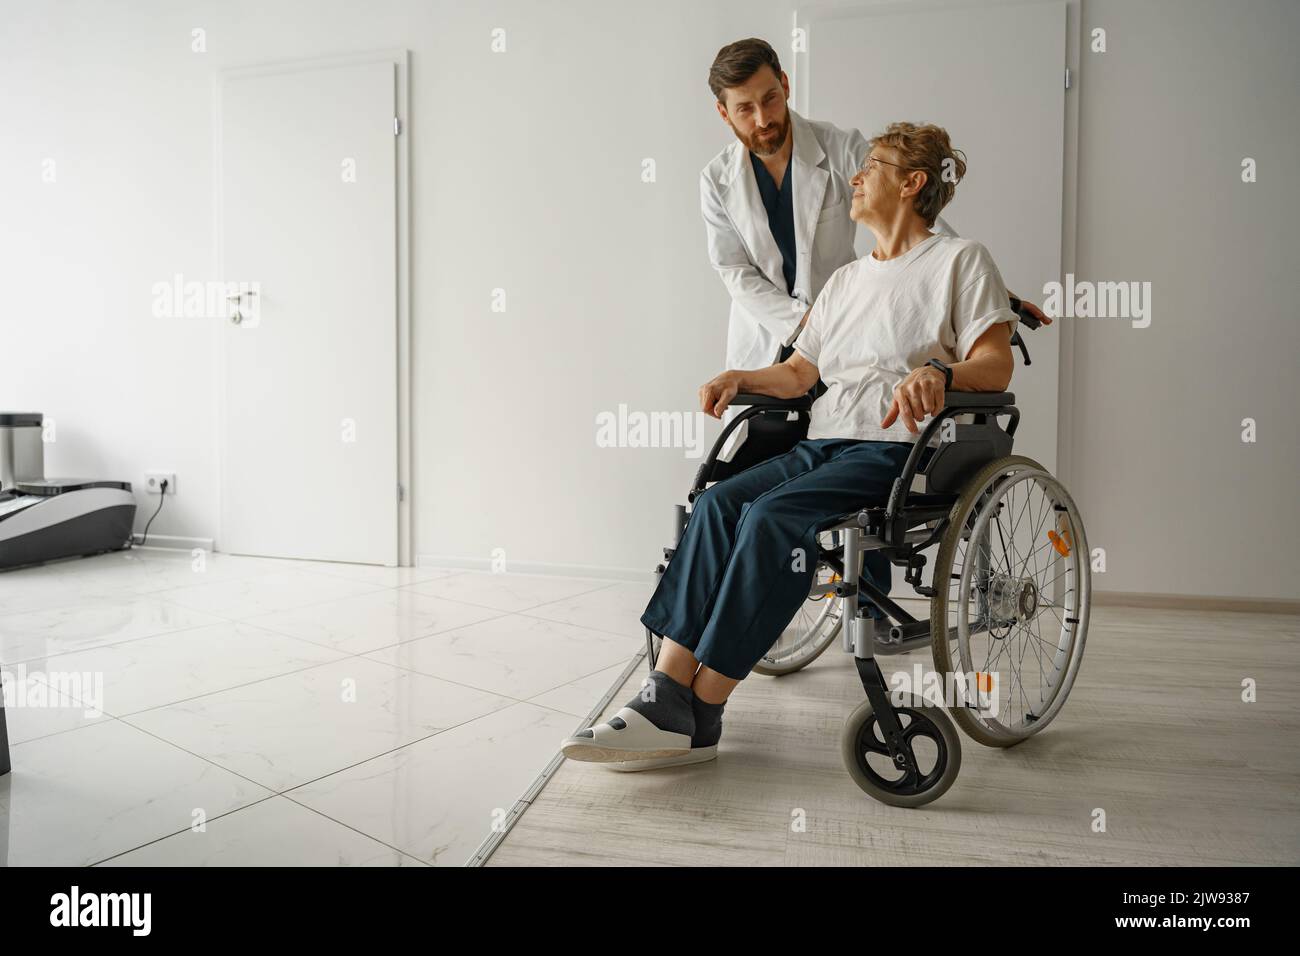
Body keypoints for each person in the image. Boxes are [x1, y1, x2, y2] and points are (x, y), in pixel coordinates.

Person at [562, 122, 1017, 770]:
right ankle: (666, 690)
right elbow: (802, 373)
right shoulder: (847, 280)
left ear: (913, 183)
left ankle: (703, 708)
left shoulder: (959, 260)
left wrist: (939, 374)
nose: (855, 179)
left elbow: (995, 365)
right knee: (719, 505)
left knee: (774, 518)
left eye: (872, 168)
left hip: (896, 452)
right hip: (825, 440)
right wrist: (742, 377)